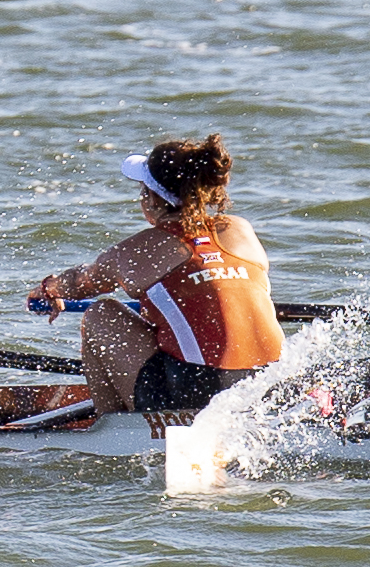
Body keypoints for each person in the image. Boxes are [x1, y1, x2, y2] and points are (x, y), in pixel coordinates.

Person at [28, 135, 284, 413]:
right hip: (273, 384)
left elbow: (80, 283)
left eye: (142, 192)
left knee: (100, 315)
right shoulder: (240, 230)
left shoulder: (139, 250)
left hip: (202, 392)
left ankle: (115, 431)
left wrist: (48, 288)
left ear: (152, 198)